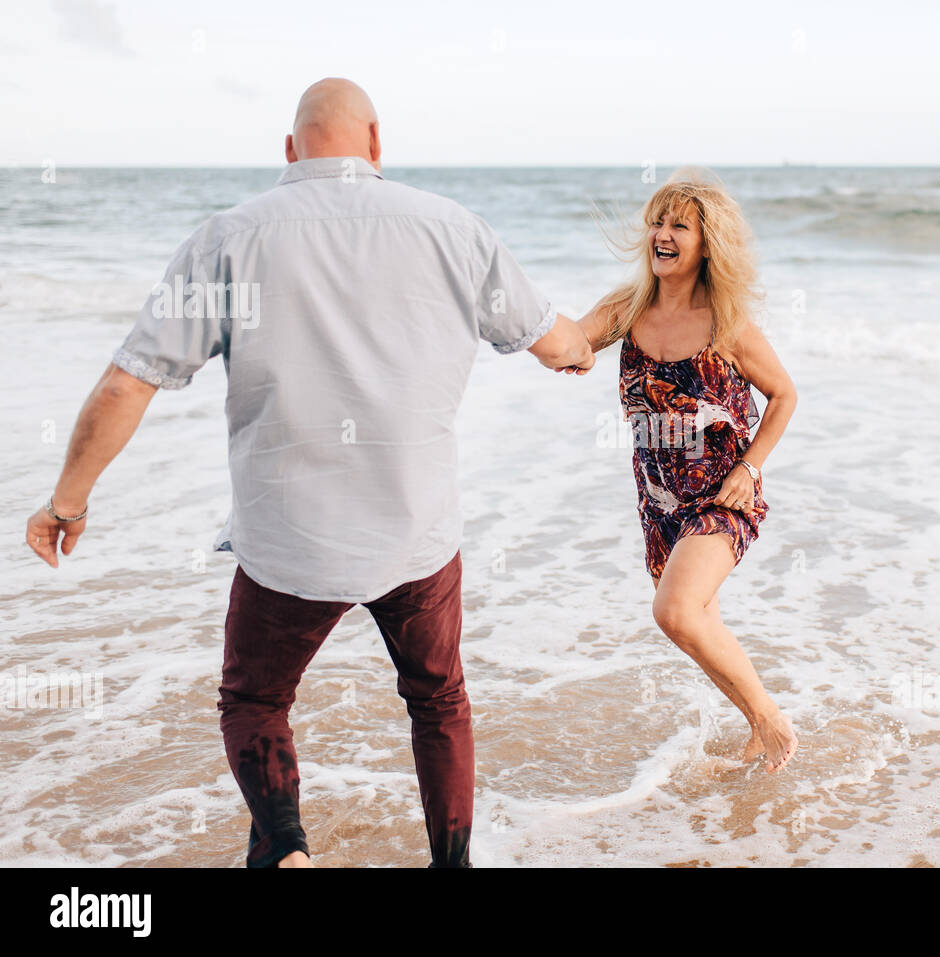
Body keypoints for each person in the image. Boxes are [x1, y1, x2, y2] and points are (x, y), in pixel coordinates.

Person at [23, 78, 594, 868]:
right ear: (377, 143)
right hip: (416, 539)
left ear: (290, 150)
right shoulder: (453, 228)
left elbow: (128, 381)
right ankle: (453, 862)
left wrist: (67, 502)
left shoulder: (230, 236)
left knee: (255, 700)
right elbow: (556, 342)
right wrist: (604, 334)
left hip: (289, 542)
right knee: (438, 701)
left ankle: (288, 849)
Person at [575, 169, 799, 772]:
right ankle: (757, 727)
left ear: (707, 243)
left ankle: (775, 722)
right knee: (700, 626)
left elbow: (784, 396)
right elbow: (572, 340)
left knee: (674, 613)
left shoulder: (726, 324)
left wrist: (750, 470)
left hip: (723, 496)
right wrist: (512, 320)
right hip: (659, 504)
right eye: (657, 221)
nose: (663, 234)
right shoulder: (627, 310)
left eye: (680, 224)